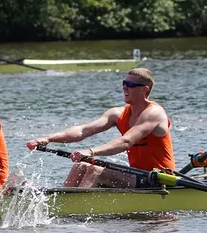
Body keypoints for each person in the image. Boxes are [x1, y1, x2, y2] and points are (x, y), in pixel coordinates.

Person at [26, 68, 174, 188]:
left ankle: (76, 209)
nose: (124, 87)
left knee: (94, 169)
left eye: (130, 85)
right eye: (124, 83)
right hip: (136, 175)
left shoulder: (154, 113)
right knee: (81, 166)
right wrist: (48, 138)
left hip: (159, 178)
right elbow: (83, 130)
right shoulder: (117, 114)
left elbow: (126, 142)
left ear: (144, 90)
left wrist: (90, 151)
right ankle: (63, 203)